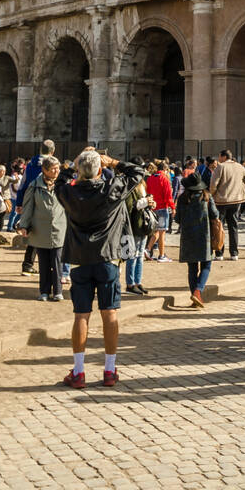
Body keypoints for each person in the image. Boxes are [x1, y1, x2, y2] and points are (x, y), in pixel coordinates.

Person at [55, 149, 146, 387]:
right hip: (107, 258)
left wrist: (72, 165)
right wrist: (113, 162)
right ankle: (108, 369)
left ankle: (78, 371)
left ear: (80, 171)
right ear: (99, 169)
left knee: (81, 315)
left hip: (80, 259)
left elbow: (59, 181)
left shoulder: (69, 192)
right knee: (110, 313)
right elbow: (138, 171)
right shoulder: (111, 189)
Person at [18, 156, 66, 300]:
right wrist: (24, 225)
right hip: (40, 230)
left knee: (57, 262)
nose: (57, 171)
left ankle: (58, 291)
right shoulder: (34, 186)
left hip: (59, 228)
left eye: (58, 168)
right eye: (53, 169)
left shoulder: (63, 185)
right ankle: (44, 291)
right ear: (44, 170)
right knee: (44, 263)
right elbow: (28, 207)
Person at [176, 172, 220, 307]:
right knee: (206, 264)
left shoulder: (183, 198)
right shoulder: (206, 197)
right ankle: (197, 291)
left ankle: (195, 296)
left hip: (188, 236)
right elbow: (215, 214)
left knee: (192, 267)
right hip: (204, 236)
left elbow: (177, 219)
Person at [15, 142, 55, 276]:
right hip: (47, 202)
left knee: (33, 233)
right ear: (52, 151)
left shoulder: (30, 164)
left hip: (30, 202)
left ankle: (27, 264)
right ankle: (51, 267)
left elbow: (23, 184)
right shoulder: (53, 165)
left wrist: (19, 203)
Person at [209, 149, 245, 261]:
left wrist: (211, 195)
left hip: (221, 200)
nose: (218, 159)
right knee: (233, 227)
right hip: (237, 200)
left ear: (223, 157)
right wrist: (241, 186)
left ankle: (219, 253)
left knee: (219, 227)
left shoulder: (221, 167)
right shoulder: (239, 166)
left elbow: (213, 184)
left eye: (219, 156)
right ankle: (234, 253)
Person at [124, 176, 155, 296]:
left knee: (140, 255)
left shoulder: (141, 185)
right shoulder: (131, 186)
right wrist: (145, 202)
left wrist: (150, 203)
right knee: (133, 255)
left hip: (143, 224)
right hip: (135, 225)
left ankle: (137, 282)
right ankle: (130, 283)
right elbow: (129, 206)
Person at [145, 162, 175, 262]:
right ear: (165, 169)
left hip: (153, 207)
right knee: (162, 232)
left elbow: (147, 191)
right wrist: (173, 207)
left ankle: (148, 249)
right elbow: (168, 196)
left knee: (157, 231)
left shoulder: (150, 178)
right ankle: (161, 255)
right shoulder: (164, 179)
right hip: (162, 208)